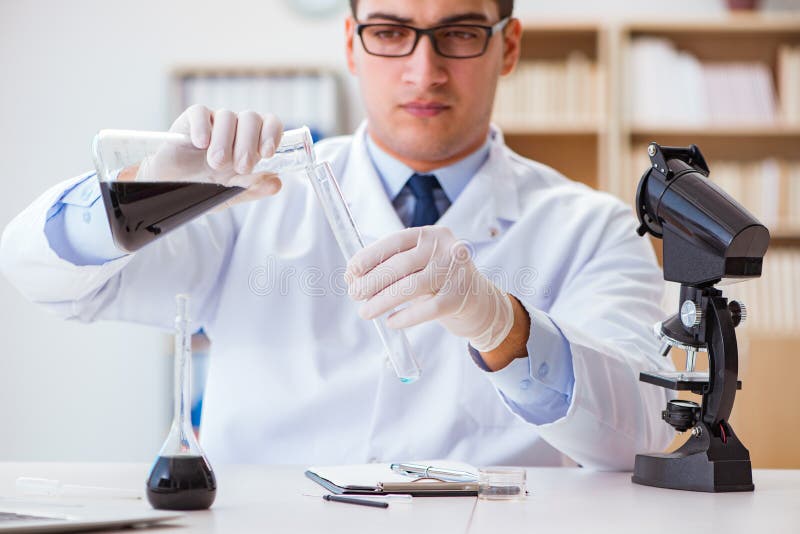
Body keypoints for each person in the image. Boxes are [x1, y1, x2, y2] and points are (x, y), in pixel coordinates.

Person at [0, 0, 673, 469]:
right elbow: (40, 276)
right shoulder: (250, 196)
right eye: (389, 31)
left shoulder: (593, 226)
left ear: (510, 46)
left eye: (462, 32)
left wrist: (504, 326)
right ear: (351, 42)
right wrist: (147, 189)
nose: (423, 70)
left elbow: (641, 432)